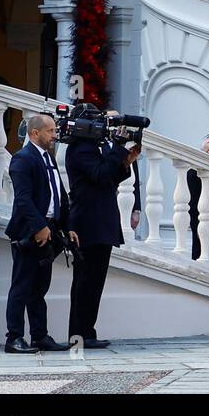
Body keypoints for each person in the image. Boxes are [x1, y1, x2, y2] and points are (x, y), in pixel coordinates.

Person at [66, 106, 141, 349]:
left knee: (94, 283)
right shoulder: (80, 149)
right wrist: (118, 148)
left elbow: (107, 178)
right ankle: (79, 334)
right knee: (85, 282)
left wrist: (125, 162)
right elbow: (99, 174)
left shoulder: (93, 148)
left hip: (100, 222)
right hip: (88, 223)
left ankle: (87, 331)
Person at [3, 113, 73, 354]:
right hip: (28, 234)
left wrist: (67, 227)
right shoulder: (22, 159)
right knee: (21, 287)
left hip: (49, 232)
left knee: (39, 289)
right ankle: (13, 338)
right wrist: (39, 227)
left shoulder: (48, 158)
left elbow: (59, 196)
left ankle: (39, 336)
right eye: (50, 131)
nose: (55, 135)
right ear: (35, 133)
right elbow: (23, 200)